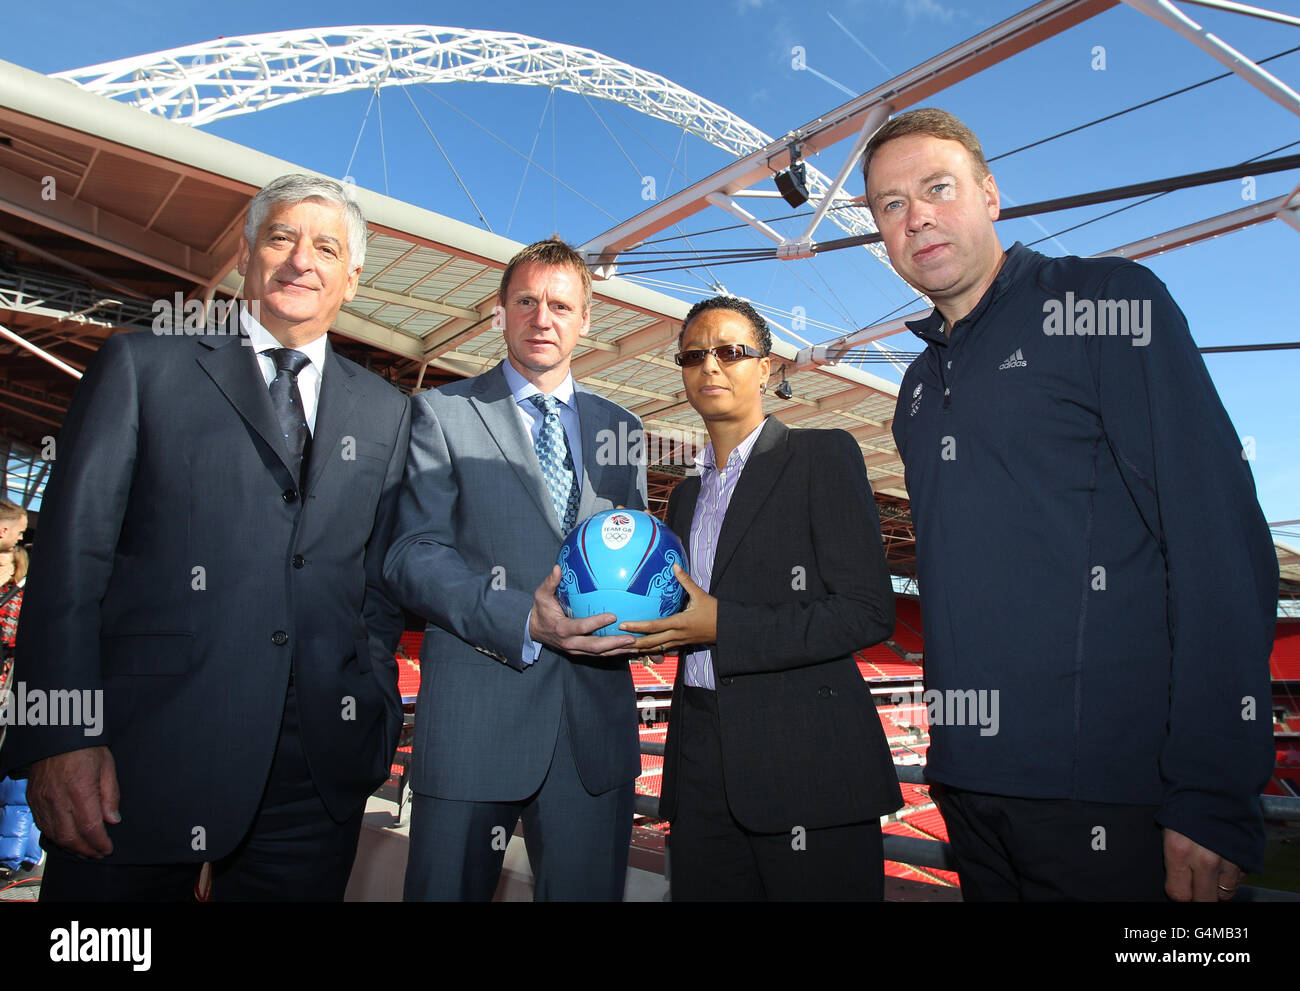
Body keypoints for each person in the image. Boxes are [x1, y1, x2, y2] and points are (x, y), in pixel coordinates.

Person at [861, 108, 1277, 901]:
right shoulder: (915, 388)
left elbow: (1216, 539)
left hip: (1113, 797)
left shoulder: (1105, 301)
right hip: (970, 787)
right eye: (890, 205)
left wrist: (1215, 790)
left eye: (937, 188)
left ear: (990, 194)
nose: (915, 216)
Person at [1, 174, 411, 901]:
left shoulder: (386, 411)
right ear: (248, 254)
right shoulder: (144, 367)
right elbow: (70, 561)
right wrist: (61, 735)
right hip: (136, 758)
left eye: (326, 247)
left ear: (351, 280)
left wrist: (370, 707)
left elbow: (375, 583)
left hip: (313, 773)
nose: (300, 261)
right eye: (281, 238)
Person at [385, 238, 648, 901]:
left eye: (561, 304)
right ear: (500, 311)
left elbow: (637, 557)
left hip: (593, 737)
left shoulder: (624, 428)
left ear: (586, 318)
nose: (543, 317)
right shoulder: (442, 413)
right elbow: (412, 555)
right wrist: (520, 617)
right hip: (477, 723)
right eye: (526, 301)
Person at [621, 296, 902, 900]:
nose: (711, 367)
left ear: (767, 368)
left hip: (806, 764)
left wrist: (724, 625)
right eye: (694, 355)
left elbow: (868, 610)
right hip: (699, 760)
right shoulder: (685, 498)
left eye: (730, 351)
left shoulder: (821, 456)